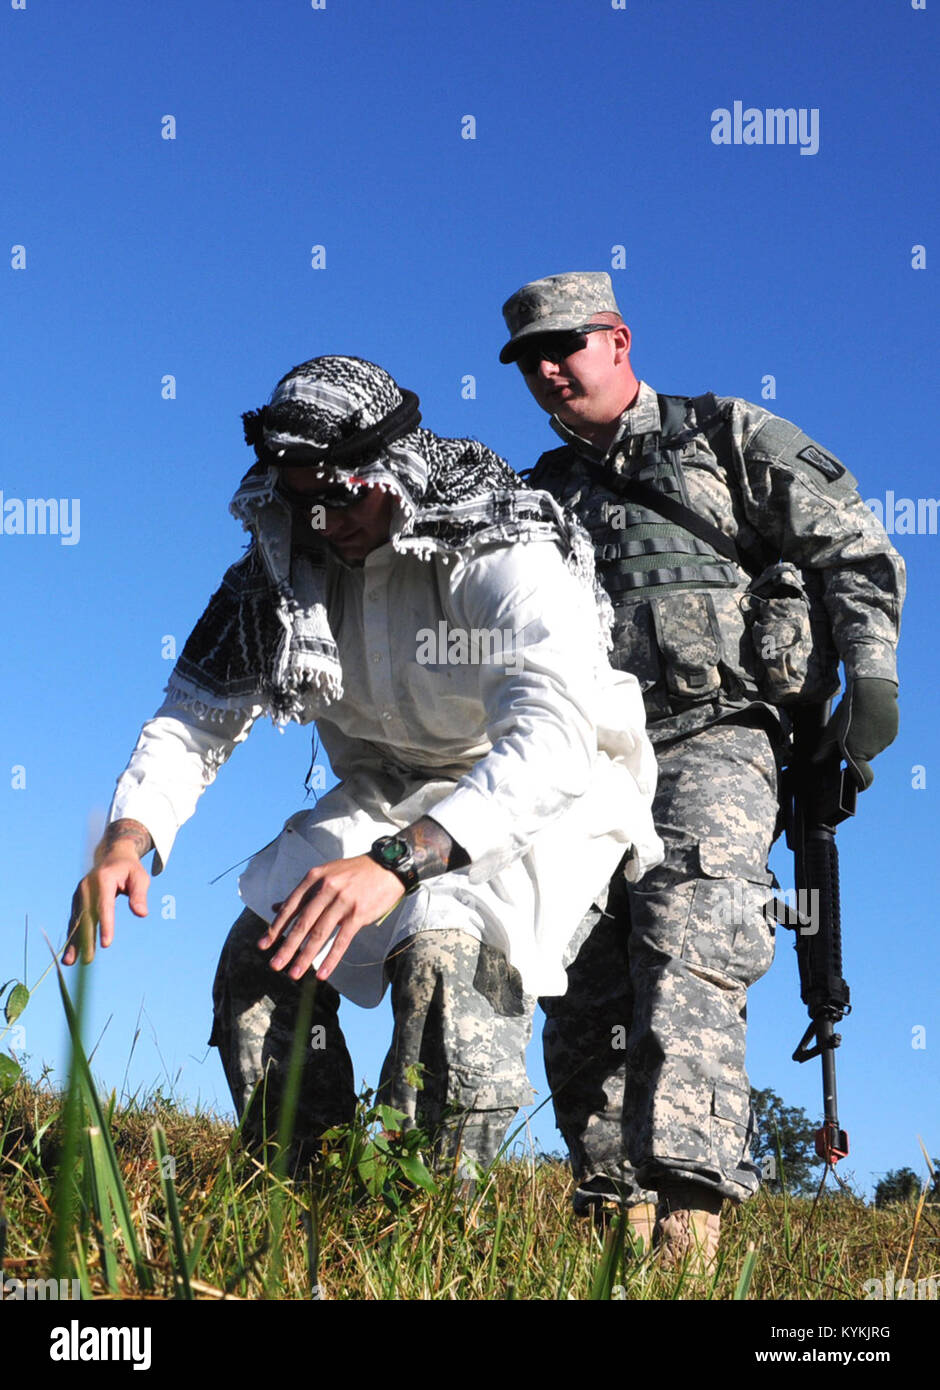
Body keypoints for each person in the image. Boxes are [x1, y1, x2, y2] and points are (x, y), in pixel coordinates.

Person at [66, 353, 663, 1180]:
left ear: (389, 470)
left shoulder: (500, 546)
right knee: (263, 954)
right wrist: (128, 842)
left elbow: (551, 738)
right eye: (299, 498)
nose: (321, 519)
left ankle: (425, 1217)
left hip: (541, 789)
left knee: (445, 955)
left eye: (340, 495)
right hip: (390, 788)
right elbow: (194, 717)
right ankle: (297, 1191)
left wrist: (394, 862)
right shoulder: (283, 571)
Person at [497, 272, 905, 1267]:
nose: (548, 369)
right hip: (587, 756)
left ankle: (689, 1232)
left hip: (715, 731)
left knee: (688, 937)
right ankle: (609, 1221)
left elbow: (852, 549)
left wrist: (872, 679)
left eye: (565, 345)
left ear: (619, 337)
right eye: (528, 359)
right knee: (576, 973)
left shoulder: (722, 433)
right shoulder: (535, 493)